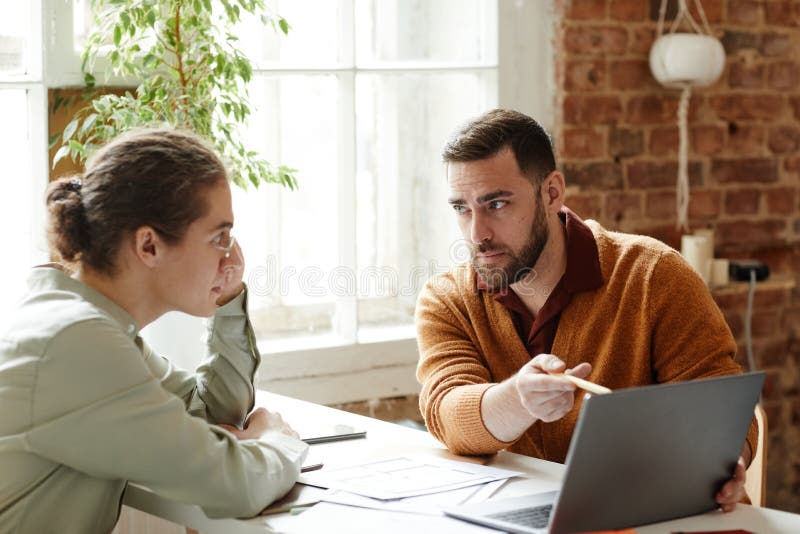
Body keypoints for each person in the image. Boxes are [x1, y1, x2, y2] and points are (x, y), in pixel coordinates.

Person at [415, 109, 756, 512]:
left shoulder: (654, 275)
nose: (478, 233)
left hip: (661, 517)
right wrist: (520, 399)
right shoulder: (448, 299)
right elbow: (448, 415)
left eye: (497, 203)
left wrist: (723, 459)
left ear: (552, 192)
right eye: (462, 208)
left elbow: (720, 404)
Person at [0, 129, 308, 533]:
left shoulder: (91, 326)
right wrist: (277, 438)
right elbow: (234, 485)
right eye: (219, 237)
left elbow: (209, 413)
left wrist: (227, 298)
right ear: (149, 246)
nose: (232, 255)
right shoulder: (77, 343)